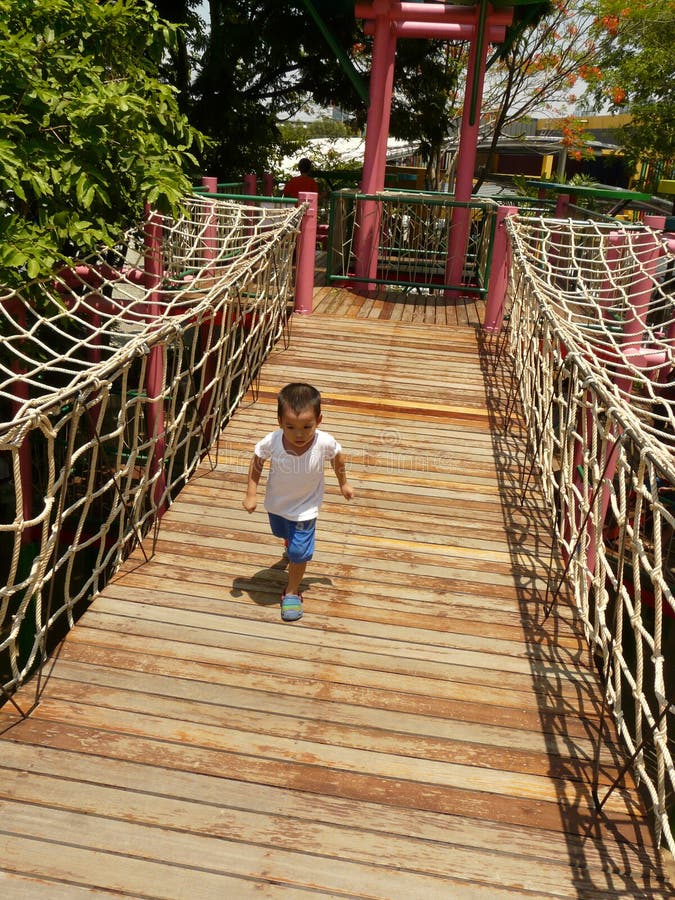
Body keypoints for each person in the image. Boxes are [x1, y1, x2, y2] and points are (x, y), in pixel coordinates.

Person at [243, 382, 354, 622]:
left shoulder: (324, 442)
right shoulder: (272, 441)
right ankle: (288, 540)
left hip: (306, 508)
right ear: (280, 421)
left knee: (298, 552)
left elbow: (338, 459)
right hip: (278, 504)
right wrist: (251, 493)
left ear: (319, 420)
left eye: (307, 426)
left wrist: (343, 483)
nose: (299, 434)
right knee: (281, 532)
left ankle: (292, 591)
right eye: (290, 427)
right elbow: (257, 462)